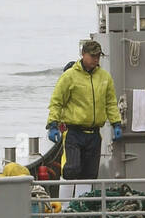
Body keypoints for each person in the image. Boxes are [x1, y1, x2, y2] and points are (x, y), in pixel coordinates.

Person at [46, 40, 122, 192]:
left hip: (94, 133)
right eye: (93, 56)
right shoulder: (69, 76)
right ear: (83, 55)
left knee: (90, 173)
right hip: (74, 132)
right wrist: (52, 124)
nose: (96, 59)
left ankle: (82, 209)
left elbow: (110, 103)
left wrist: (116, 123)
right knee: (71, 169)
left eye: (98, 56)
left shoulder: (104, 77)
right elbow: (56, 102)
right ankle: (65, 208)